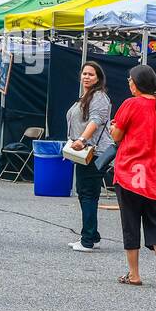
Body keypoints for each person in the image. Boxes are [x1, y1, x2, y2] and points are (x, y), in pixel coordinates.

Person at [108, 65, 156, 287]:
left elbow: (117, 135)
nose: (129, 83)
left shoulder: (131, 104)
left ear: (137, 83)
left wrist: (112, 129)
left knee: (131, 224)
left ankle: (134, 274)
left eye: (130, 80)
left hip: (132, 174)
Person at [66, 61, 113, 251]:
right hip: (83, 153)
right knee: (85, 192)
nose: (86, 77)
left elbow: (96, 121)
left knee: (88, 195)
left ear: (98, 78)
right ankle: (92, 234)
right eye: (84, 73)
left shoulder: (99, 97)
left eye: (91, 74)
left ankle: (87, 240)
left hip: (94, 152)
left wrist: (82, 140)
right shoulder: (86, 96)